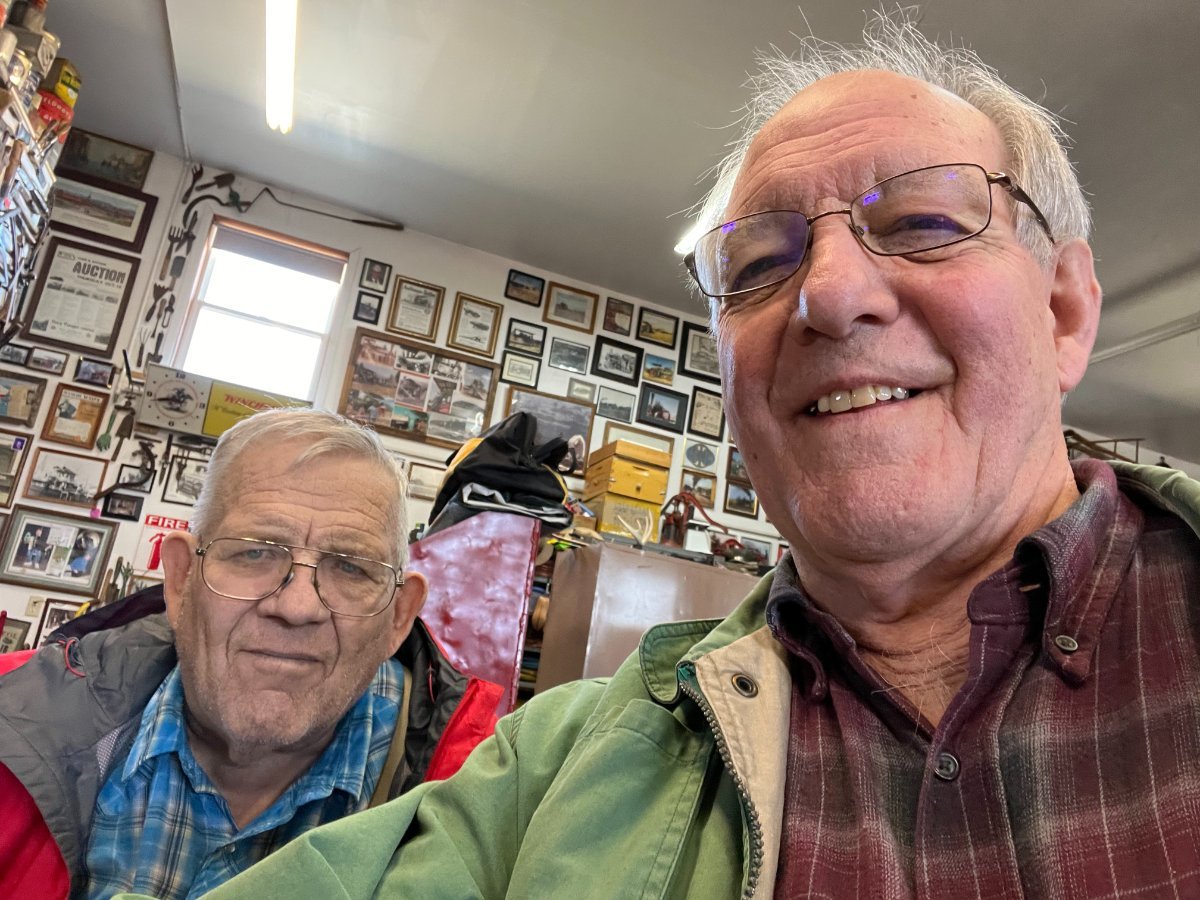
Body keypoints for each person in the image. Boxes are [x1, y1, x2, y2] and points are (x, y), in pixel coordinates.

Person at [147, 11, 1200, 899]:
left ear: (1064, 312)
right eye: (761, 261)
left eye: (923, 220)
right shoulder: (551, 773)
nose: (828, 293)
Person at [0, 408, 503, 899]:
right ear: (181, 580)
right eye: (254, 552)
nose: (298, 607)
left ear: (398, 616)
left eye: (351, 568)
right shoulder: (15, 717)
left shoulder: (482, 798)